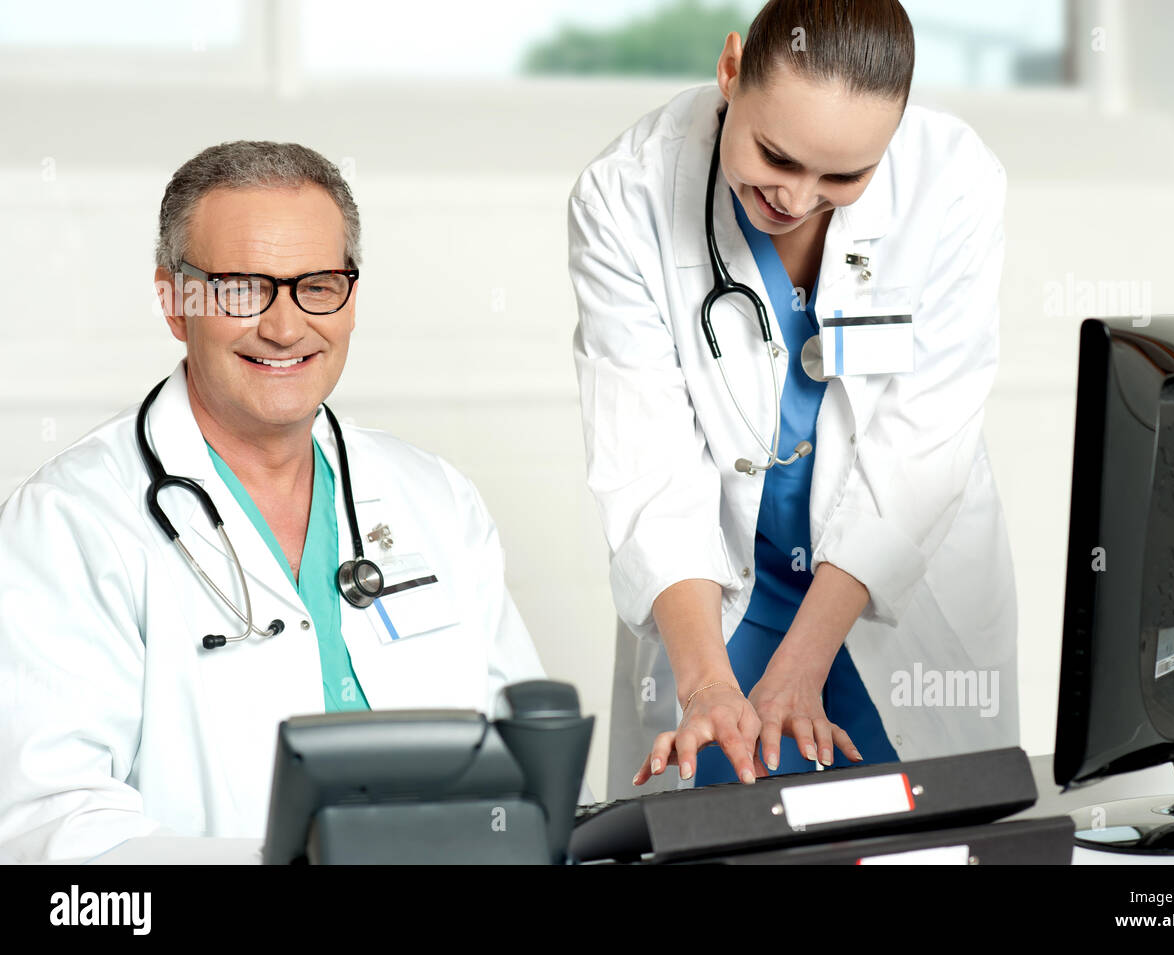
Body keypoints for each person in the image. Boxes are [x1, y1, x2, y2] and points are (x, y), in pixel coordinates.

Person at [0, 141, 548, 862]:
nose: (285, 327)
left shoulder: (435, 497)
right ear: (173, 300)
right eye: (239, 288)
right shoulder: (69, 522)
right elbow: (51, 829)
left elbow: (525, 764)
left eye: (317, 284)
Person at [568, 0, 1018, 797]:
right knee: (711, 825)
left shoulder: (954, 181)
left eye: (844, 176)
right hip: (716, 600)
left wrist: (802, 666)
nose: (798, 197)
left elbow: (922, 443)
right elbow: (648, 463)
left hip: (883, 588)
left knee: (928, 831)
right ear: (731, 69)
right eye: (774, 155)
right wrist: (707, 685)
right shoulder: (626, 194)